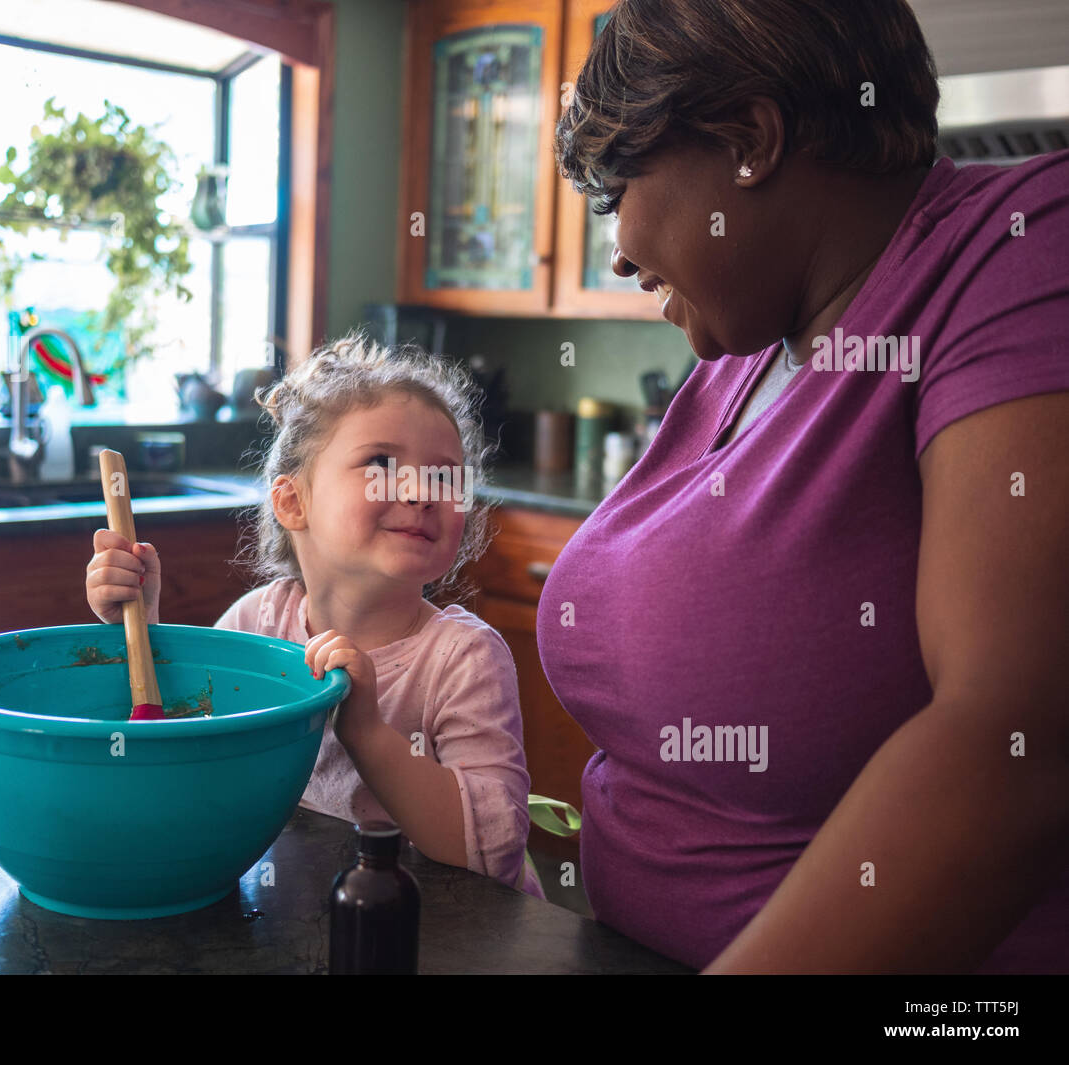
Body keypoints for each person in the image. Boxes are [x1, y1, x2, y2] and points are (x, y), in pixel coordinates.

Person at [546, 0, 1069, 972]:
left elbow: (1013, 747)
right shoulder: (743, 342)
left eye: (617, 186)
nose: (615, 249)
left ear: (749, 140)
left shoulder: (1022, 249)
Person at [87, 334, 545, 899]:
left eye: (445, 476)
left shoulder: (463, 659)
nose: (422, 491)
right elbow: (187, 758)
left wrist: (367, 733)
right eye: (381, 462)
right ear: (292, 502)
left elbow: (492, 854)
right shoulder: (258, 621)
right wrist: (140, 628)